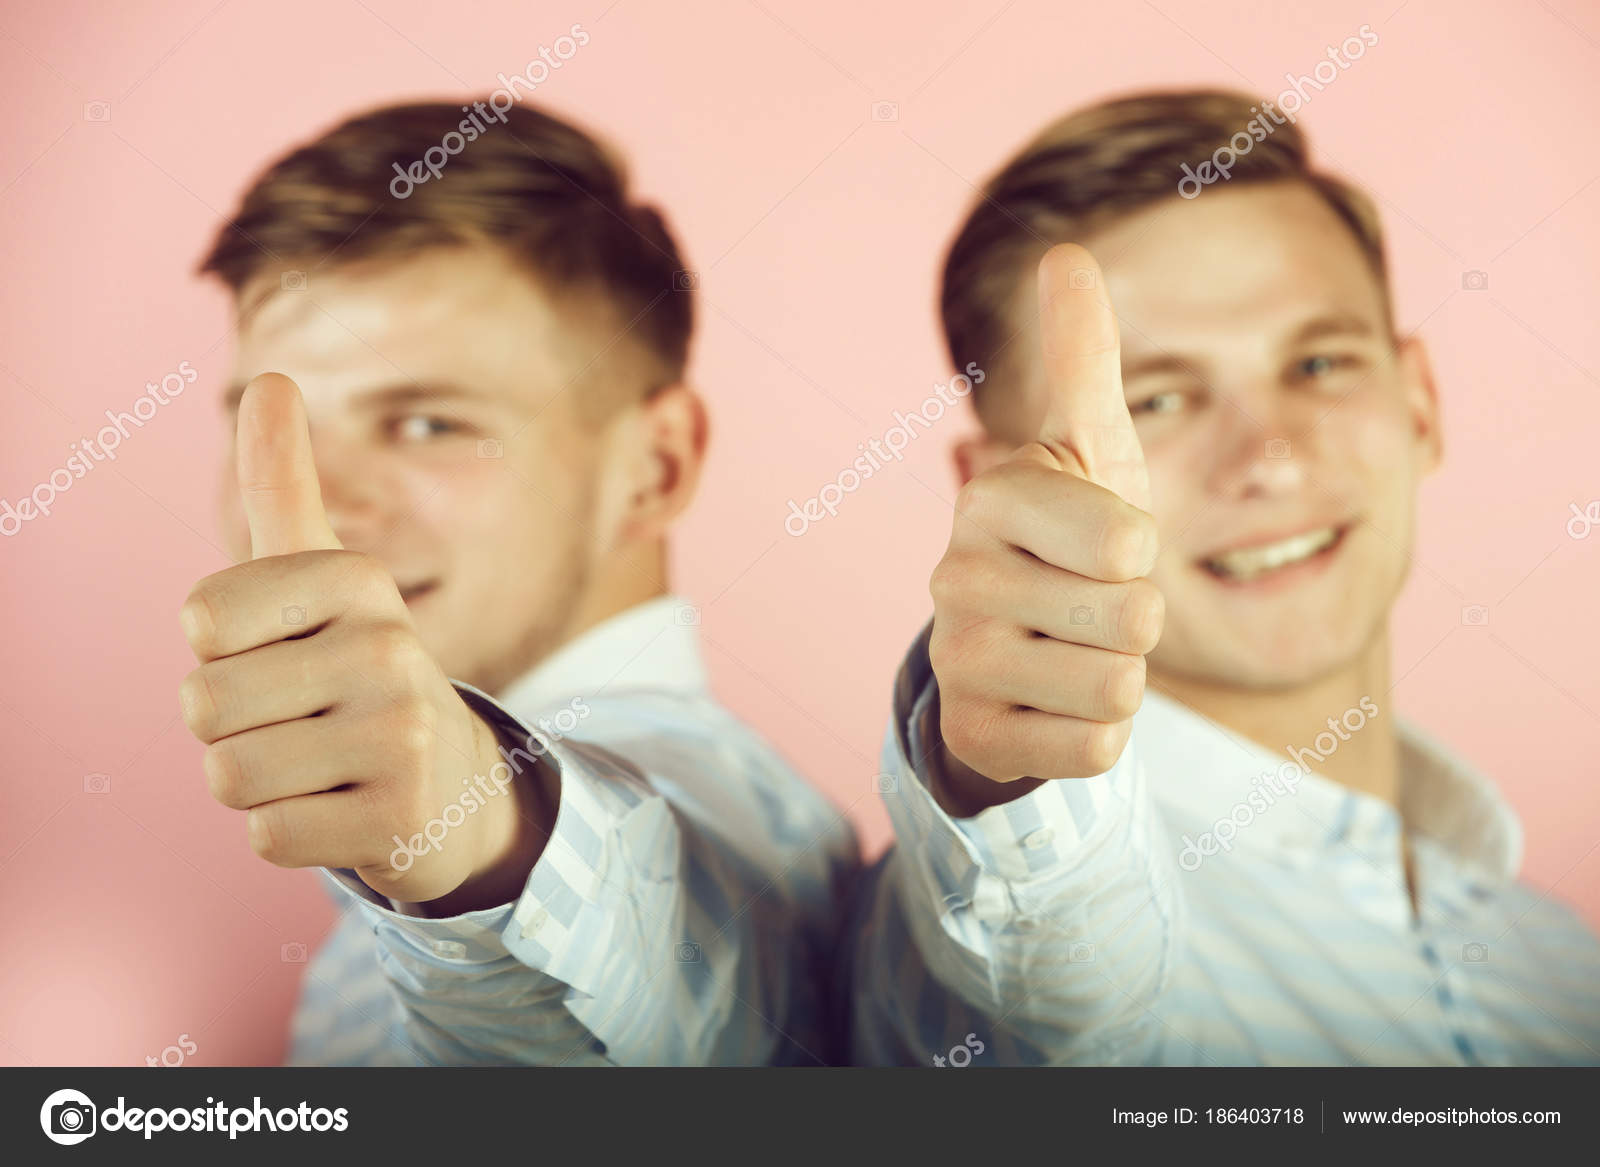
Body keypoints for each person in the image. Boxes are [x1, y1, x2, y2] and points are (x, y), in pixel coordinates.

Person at [847, 89, 1600, 1065]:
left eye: (1319, 364)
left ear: (1419, 403)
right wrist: (1000, 781)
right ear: (996, 497)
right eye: (1157, 400)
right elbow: (1034, 989)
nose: (1270, 459)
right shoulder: (964, 951)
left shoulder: (1564, 969)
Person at [178, 100, 856, 1065]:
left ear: (653, 466)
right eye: (272, 434)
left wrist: (477, 843)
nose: (325, 506)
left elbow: (647, 940)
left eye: (428, 423)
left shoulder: (731, 824)